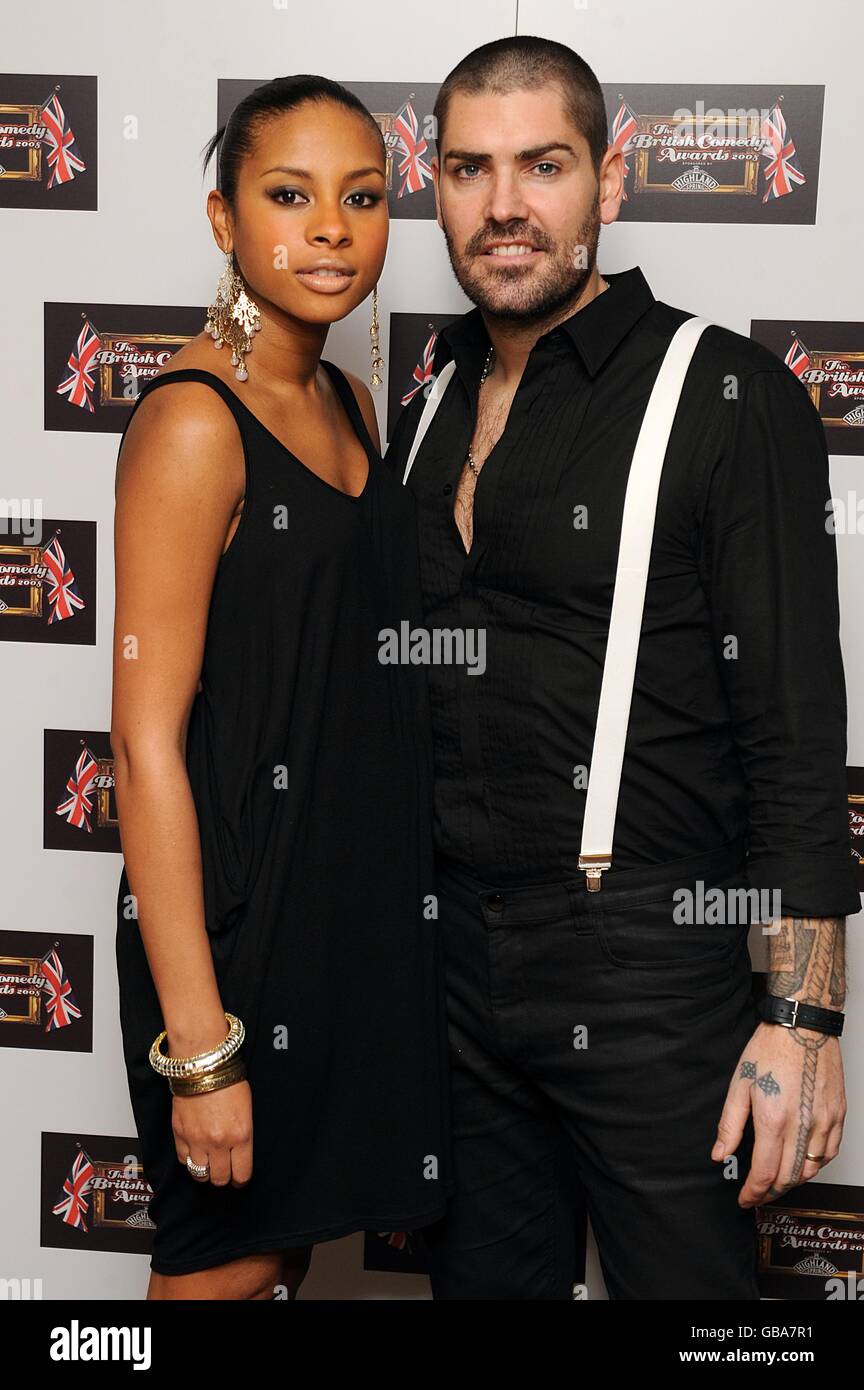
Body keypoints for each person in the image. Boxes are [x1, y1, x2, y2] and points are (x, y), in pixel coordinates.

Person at [384, 36, 855, 1300]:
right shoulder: (426, 407)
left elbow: (797, 737)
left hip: (649, 963)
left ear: (612, 175)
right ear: (436, 184)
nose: (506, 206)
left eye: (544, 165)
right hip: (454, 968)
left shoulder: (728, 396)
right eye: (473, 170)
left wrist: (805, 1022)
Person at [112, 74, 452, 1301]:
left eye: (362, 198)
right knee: (228, 1267)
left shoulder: (350, 405)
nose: (330, 229)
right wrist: (200, 1049)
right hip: (235, 938)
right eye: (288, 195)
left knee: (286, 1266)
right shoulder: (193, 422)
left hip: (345, 923)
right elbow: (145, 747)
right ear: (223, 221)